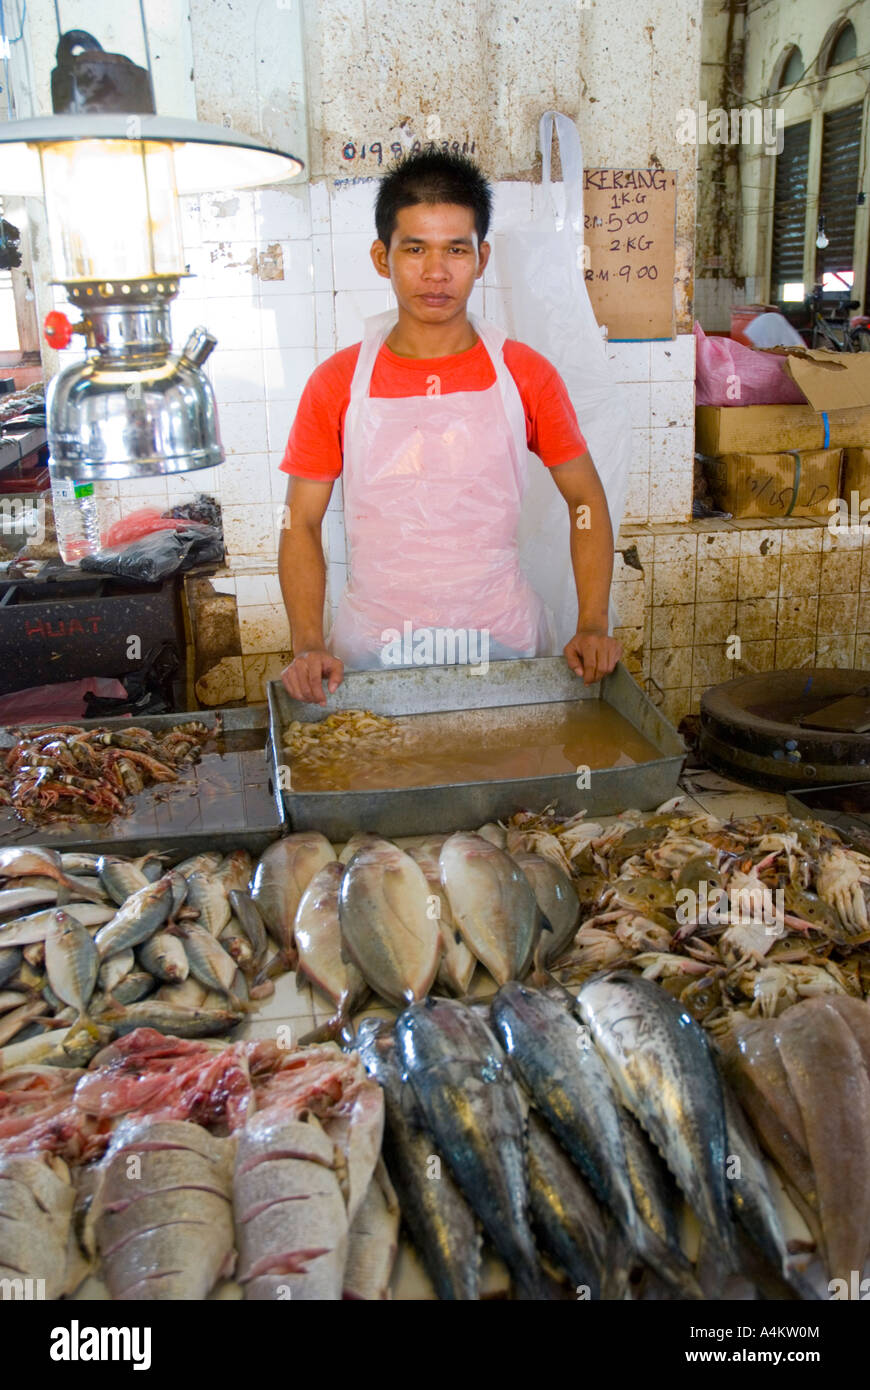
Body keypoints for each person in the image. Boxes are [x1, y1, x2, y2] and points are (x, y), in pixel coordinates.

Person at [278, 148, 622, 705]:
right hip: (372, 654)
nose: (435, 273)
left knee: (517, 791)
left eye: (455, 250)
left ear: (481, 258)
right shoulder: (336, 382)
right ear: (381, 257)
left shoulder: (525, 373)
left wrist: (592, 622)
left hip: (505, 645)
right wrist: (308, 643)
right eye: (415, 249)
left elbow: (585, 499)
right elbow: (300, 523)